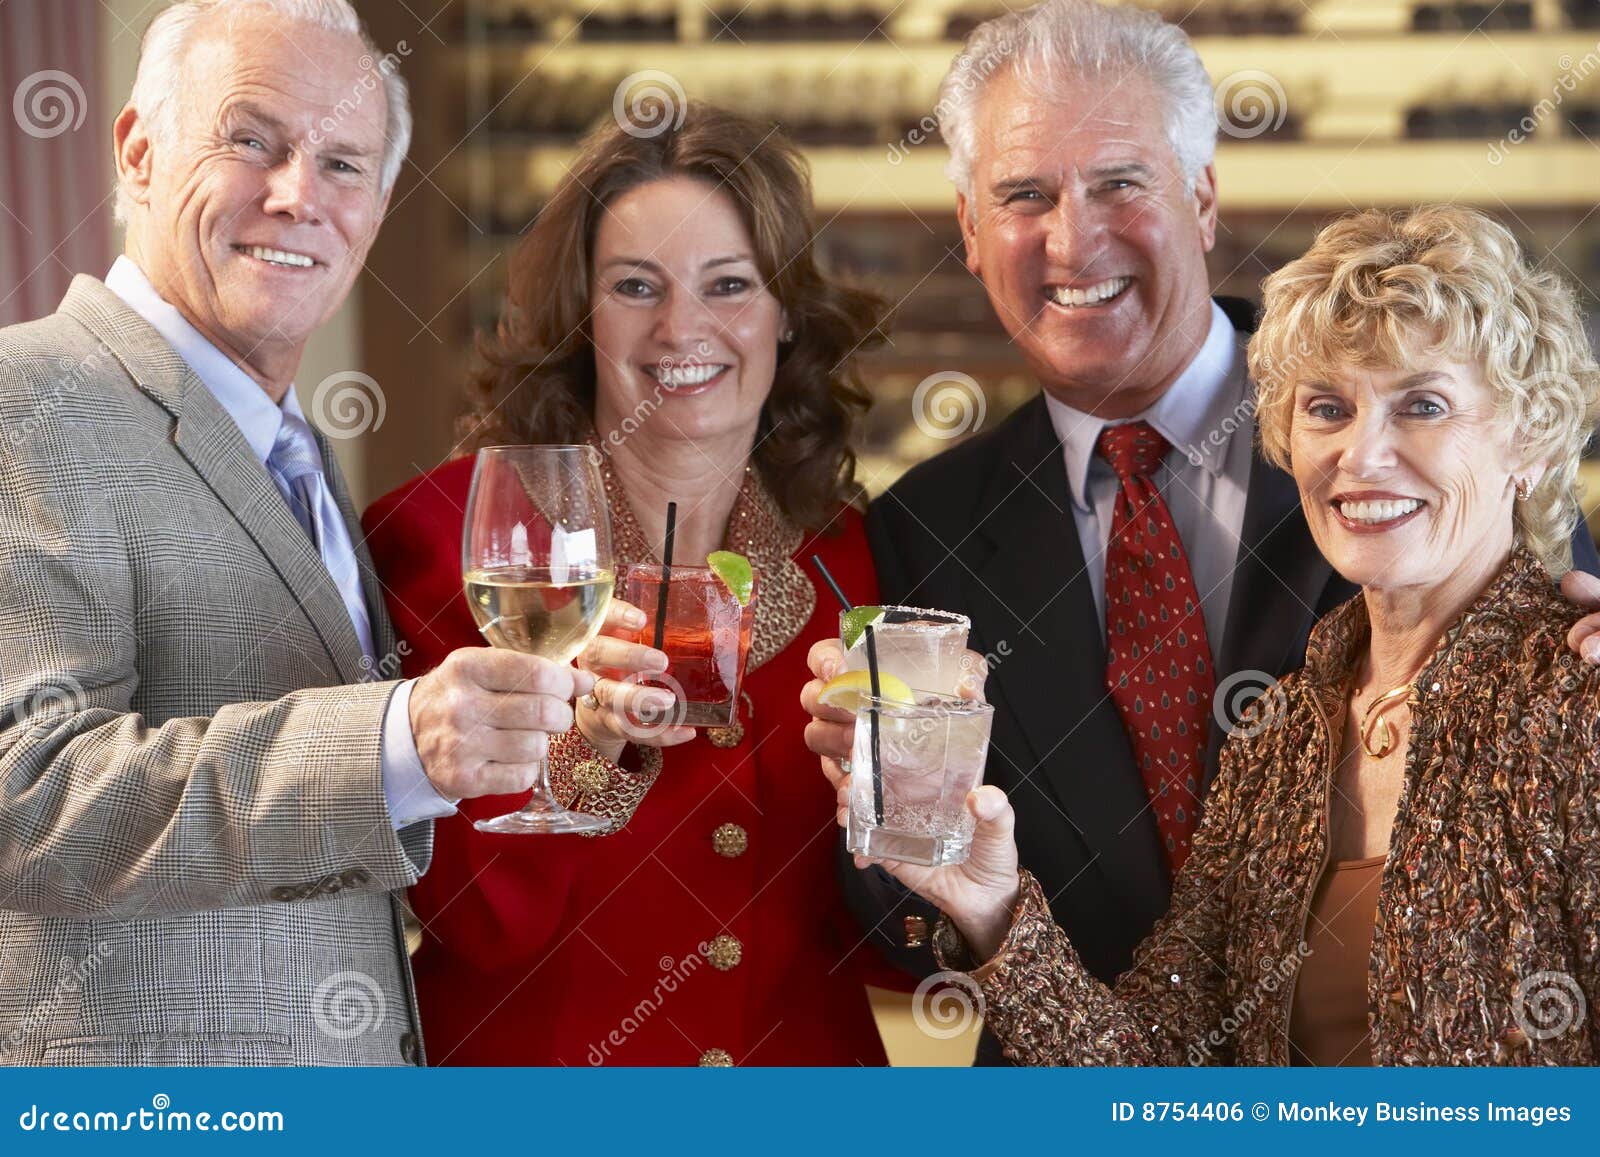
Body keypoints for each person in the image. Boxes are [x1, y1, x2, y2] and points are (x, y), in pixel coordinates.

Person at [801, 0, 1600, 1064]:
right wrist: (979, 897)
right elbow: (1159, 1059)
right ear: (969, 226)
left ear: (1202, 195)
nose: (1361, 454)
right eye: (1026, 193)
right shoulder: (1285, 730)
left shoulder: (1571, 695)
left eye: (1119, 181)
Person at [0, 0, 595, 1066]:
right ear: (138, 150)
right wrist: (388, 744)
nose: (297, 196)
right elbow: (25, 795)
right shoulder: (26, 397)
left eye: (344, 164)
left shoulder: (292, 443)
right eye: (250, 140)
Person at [361, 103, 903, 1066]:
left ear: (785, 318)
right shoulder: (443, 541)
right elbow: (472, 921)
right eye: (635, 286)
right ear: (583, 316)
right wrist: (582, 745)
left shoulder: (852, 559)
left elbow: (892, 946)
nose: (681, 326)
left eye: (730, 284)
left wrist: (918, 798)